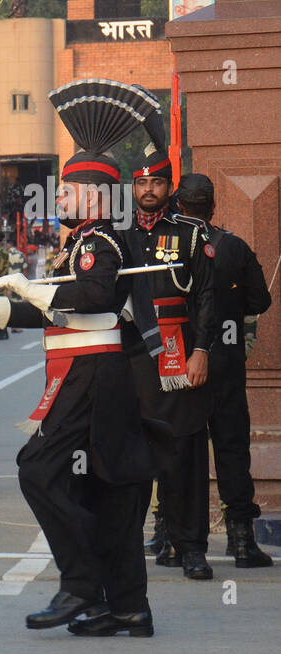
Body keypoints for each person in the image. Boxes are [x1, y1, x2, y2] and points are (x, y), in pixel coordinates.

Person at [0, 78, 157, 636]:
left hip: (90, 374)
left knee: (37, 469)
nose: (58, 199)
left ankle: (79, 582)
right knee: (103, 488)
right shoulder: (84, 243)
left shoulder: (97, 244)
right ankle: (127, 605)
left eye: (66, 191)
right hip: (87, 372)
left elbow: (91, 299)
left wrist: (34, 289)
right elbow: (53, 313)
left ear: (92, 195)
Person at [121, 144, 217, 580]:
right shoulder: (119, 238)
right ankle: (145, 537)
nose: (148, 190)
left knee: (185, 451)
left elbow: (207, 299)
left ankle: (192, 547)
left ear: (169, 188)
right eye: (141, 183)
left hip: (181, 355)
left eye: (156, 182)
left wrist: (202, 351)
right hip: (135, 359)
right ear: (133, 188)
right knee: (137, 455)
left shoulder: (190, 234)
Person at [176, 174, 272, 567]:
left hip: (179, 363)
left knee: (185, 452)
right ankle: (242, 540)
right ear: (213, 207)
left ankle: (178, 539)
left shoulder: (169, 247)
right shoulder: (233, 246)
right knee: (233, 449)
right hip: (227, 361)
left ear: (179, 206)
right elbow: (261, 301)